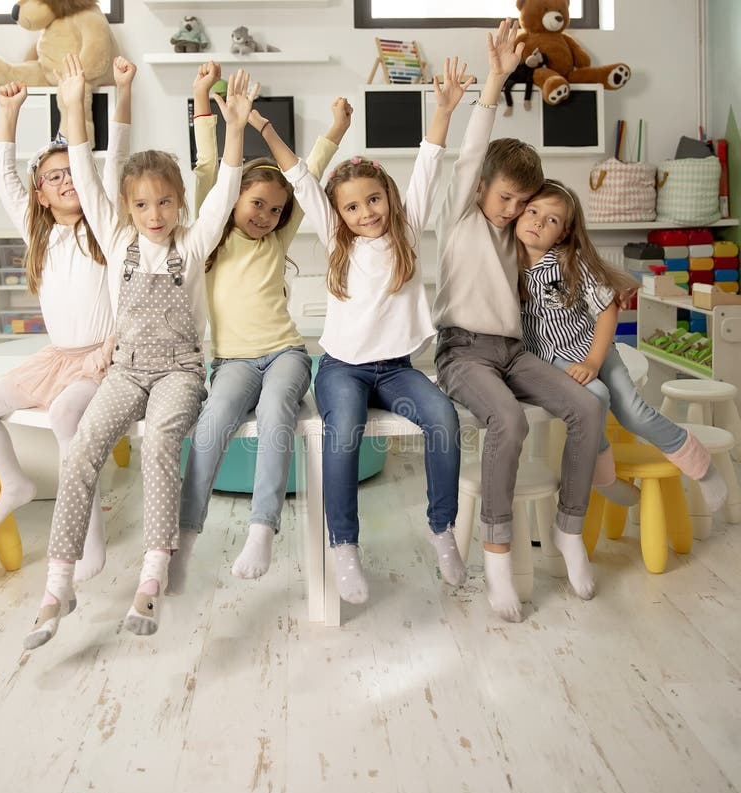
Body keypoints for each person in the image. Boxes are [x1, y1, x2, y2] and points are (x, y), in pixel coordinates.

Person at [23, 54, 257, 649]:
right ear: (126, 209)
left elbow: (226, 183)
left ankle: (152, 575)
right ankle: (58, 584)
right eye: (142, 205)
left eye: (165, 203)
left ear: (180, 202)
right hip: (125, 370)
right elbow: (82, 163)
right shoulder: (117, 235)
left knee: (158, 445)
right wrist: (74, 105)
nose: (155, 216)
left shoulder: (197, 239)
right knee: (80, 454)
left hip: (179, 371)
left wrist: (234, 130)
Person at [259, 57, 473, 605]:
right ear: (340, 214)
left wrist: (444, 110)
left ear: (389, 199)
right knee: (344, 430)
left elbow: (428, 164)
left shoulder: (406, 227)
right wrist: (263, 128)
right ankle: (345, 545)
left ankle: (441, 528)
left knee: (443, 417)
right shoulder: (336, 239)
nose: (365, 212)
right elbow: (300, 178)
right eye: (352, 206)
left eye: (373, 200)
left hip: (398, 370)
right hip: (342, 371)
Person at [432, 20, 605, 623]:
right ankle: (498, 555)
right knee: (506, 420)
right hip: (462, 352)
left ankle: (569, 531)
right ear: (481, 188)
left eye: (523, 204)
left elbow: (568, 264)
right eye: (505, 199)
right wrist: (498, 77)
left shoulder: (520, 238)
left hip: (514, 351)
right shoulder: (462, 216)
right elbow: (475, 149)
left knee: (587, 407)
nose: (512, 212)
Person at [167, 63, 352, 594]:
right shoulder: (212, 234)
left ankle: (261, 528)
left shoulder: (277, 236)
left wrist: (335, 131)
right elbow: (207, 168)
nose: (267, 216)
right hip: (231, 361)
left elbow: (306, 174)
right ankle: (185, 536)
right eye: (257, 205)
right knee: (211, 425)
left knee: (277, 414)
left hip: (286, 354)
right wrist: (202, 96)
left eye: (275, 211)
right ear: (235, 199)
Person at [0, 57, 135, 582]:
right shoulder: (39, 232)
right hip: (58, 358)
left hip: (104, 358)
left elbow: (117, 154)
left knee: (64, 418)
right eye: (53, 176)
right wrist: (8, 113)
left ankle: (88, 540)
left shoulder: (103, 224)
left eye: (71, 172)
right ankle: (15, 482)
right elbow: (2, 174)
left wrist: (121, 90)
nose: (65, 181)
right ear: (40, 193)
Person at [516, 178, 728, 512]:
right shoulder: (506, 262)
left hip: (592, 347)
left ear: (565, 232)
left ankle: (702, 467)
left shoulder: (571, 262)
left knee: (634, 412)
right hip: (549, 358)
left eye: (552, 219)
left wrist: (593, 362)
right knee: (594, 400)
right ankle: (604, 479)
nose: (539, 221)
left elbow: (607, 310)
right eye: (533, 211)